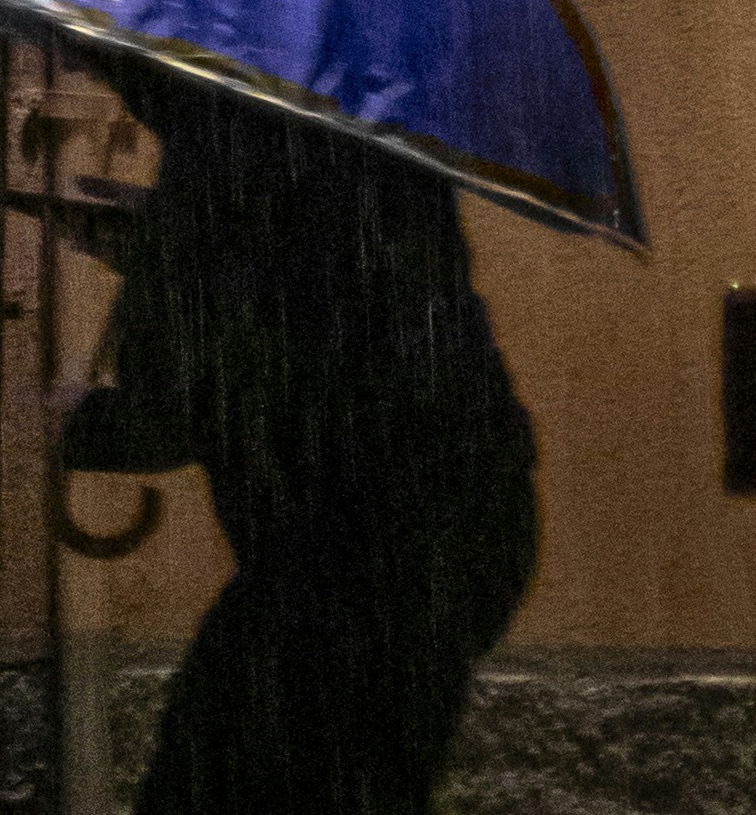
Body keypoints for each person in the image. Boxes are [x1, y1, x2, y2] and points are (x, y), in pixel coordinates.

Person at [58, 56, 540, 815]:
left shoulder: (218, 140)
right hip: (456, 531)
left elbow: (168, 412)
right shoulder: (344, 116)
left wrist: (46, 422)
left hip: (346, 562)